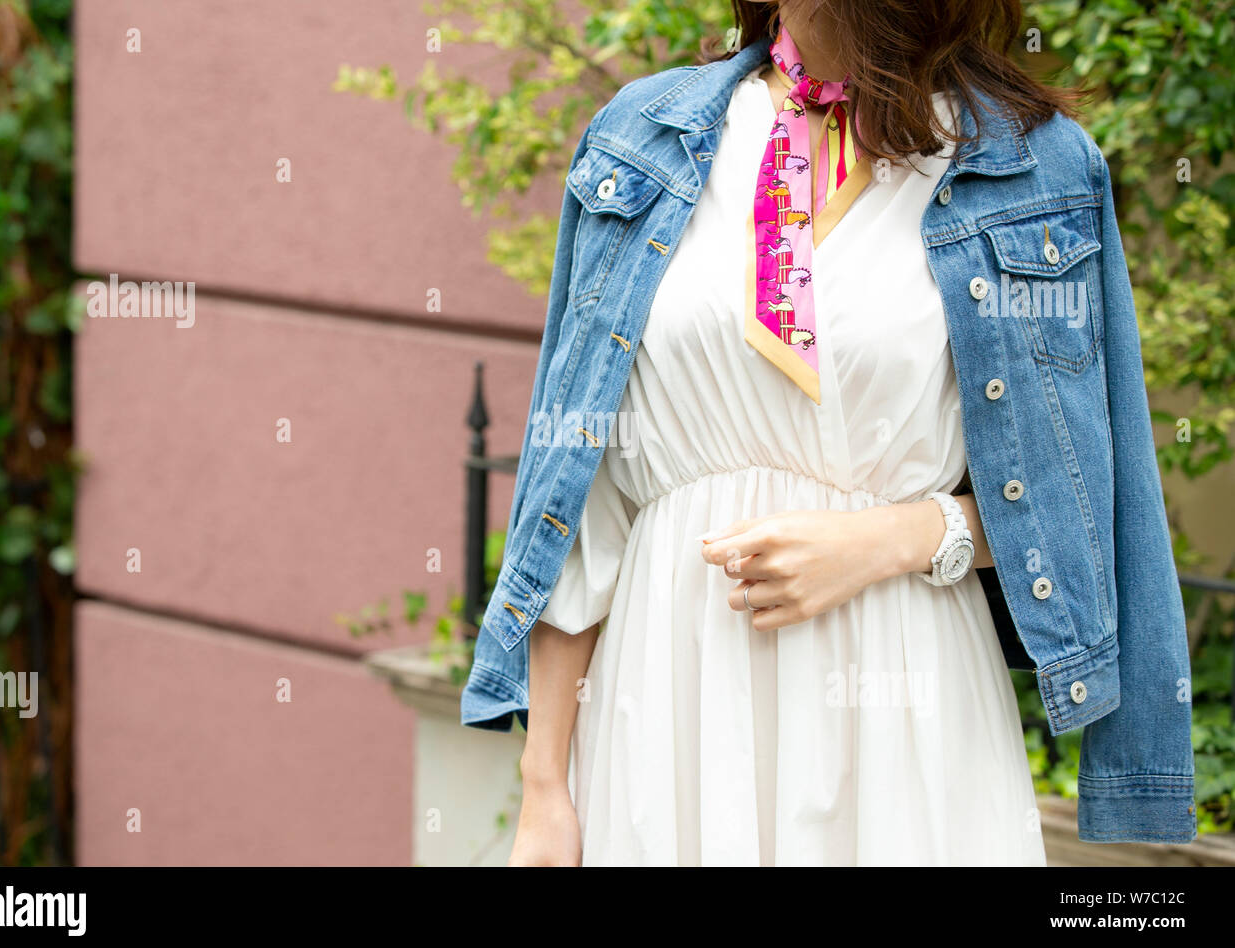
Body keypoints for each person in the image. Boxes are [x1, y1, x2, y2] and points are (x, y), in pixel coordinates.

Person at [459, 0, 1197, 865]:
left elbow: (1089, 501)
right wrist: (545, 785)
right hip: (668, 695)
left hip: (903, 694)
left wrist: (896, 537)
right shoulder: (641, 138)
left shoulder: (1034, 168)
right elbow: (580, 495)